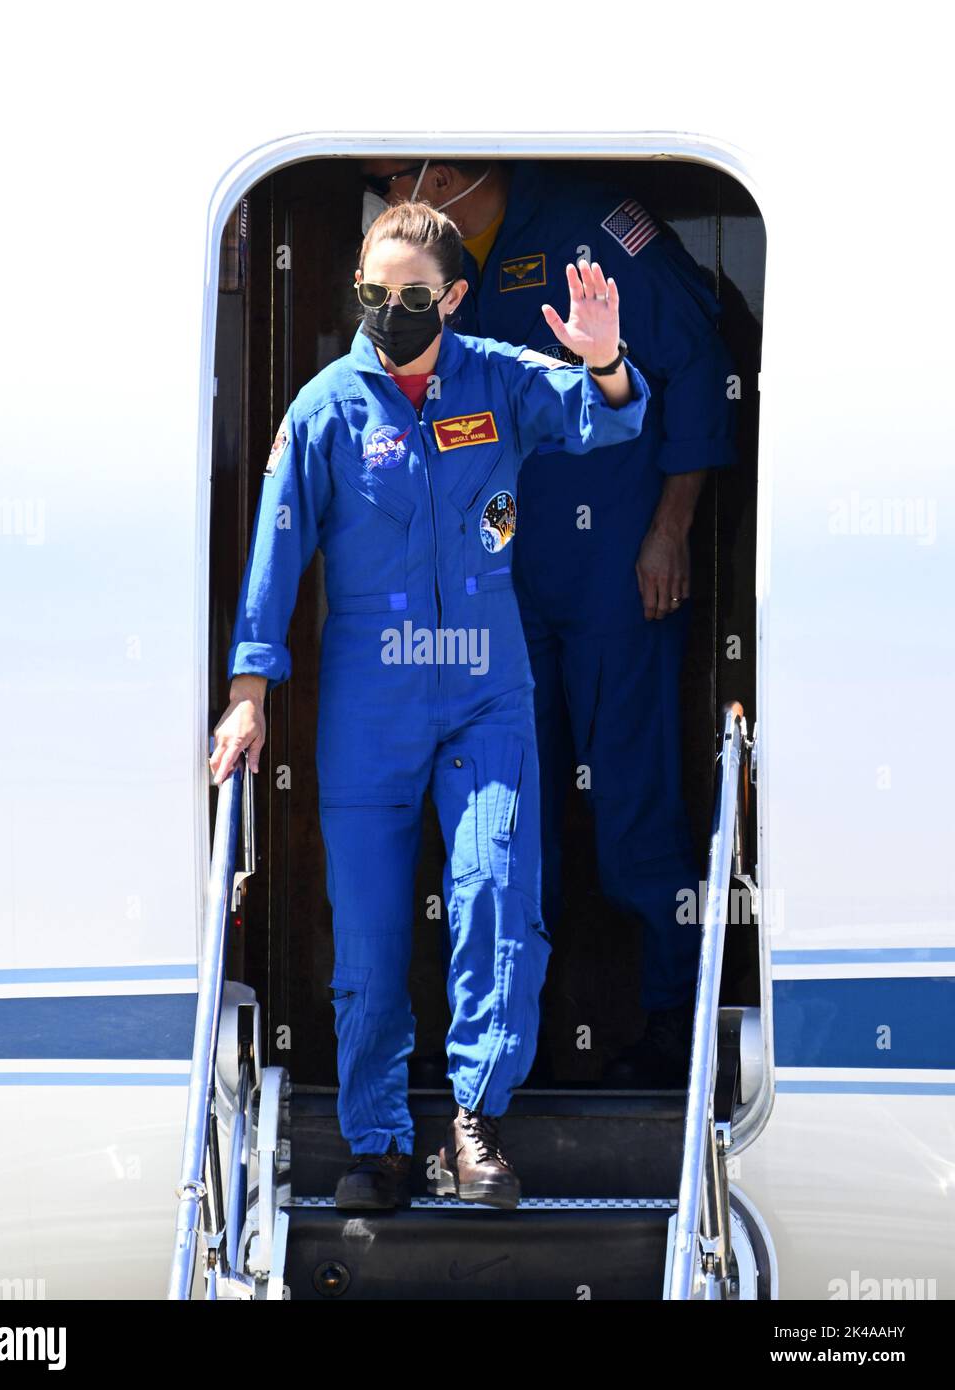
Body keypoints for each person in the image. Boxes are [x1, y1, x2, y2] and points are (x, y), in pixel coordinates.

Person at [209, 200, 649, 1210]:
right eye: (371, 293)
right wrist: (248, 693)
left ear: (451, 296)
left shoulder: (494, 378)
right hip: (370, 700)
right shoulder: (325, 409)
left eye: (411, 296)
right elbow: (275, 555)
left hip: (485, 695)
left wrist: (605, 356)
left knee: (497, 894)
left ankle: (475, 1123)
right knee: (366, 934)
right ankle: (378, 1142)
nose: (388, 311)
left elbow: (605, 416)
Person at [360, 158, 737, 1086]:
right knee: (505, 821)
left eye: (398, 177)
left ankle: (673, 1032)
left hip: (615, 574)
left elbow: (698, 363)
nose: (392, 198)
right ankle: (504, 1059)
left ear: (444, 171)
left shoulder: (594, 229)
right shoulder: (423, 271)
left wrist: (671, 529)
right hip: (500, 597)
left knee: (631, 803)